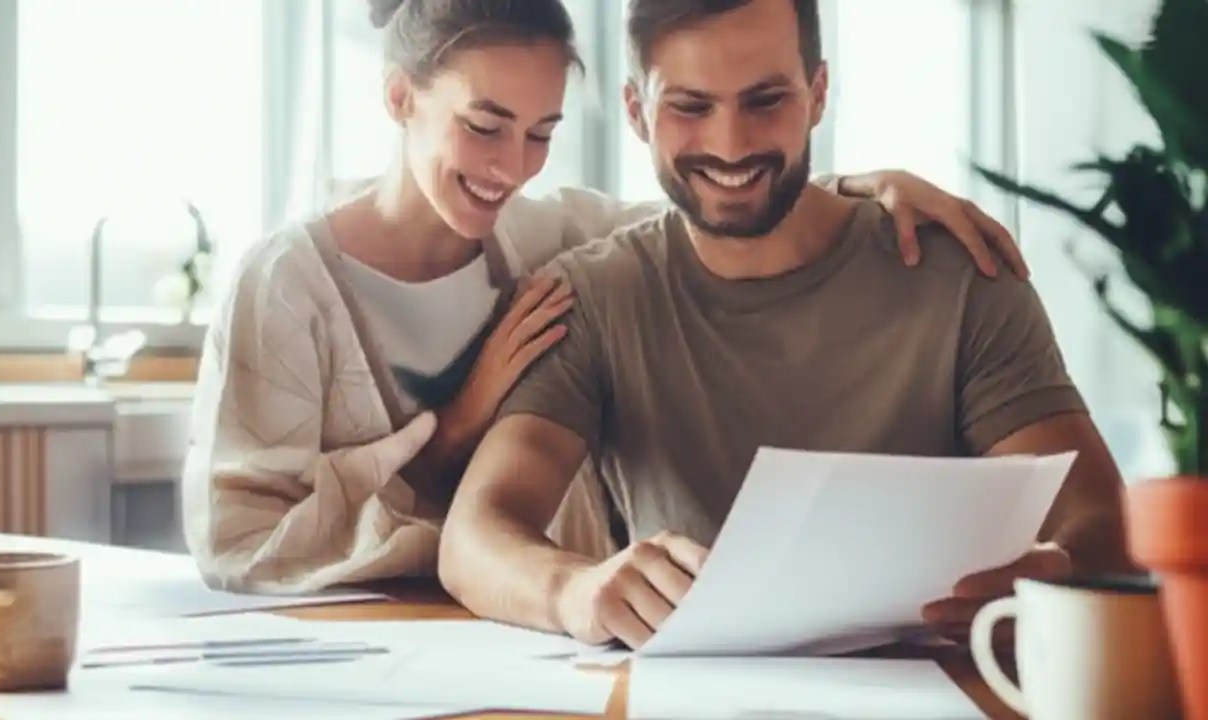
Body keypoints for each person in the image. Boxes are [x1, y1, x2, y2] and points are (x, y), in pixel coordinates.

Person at [183, 0, 1029, 594]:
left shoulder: (546, 238)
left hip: (525, 646)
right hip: (353, 656)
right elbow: (241, 544)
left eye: (540, 132)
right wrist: (449, 438)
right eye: (484, 125)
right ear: (400, 96)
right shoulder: (287, 284)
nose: (511, 167)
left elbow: (719, 202)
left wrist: (866, 185)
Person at [437, 0, 1134, 649]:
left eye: (766, 100)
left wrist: (1056, 574)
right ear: (636, 112)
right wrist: (574, 590)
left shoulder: (959, 275)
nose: (731, 143)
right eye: (690, 106)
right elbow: (474, 536)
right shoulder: (593, 297)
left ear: (819, 94)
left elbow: (1099, 518)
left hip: (936, 685)